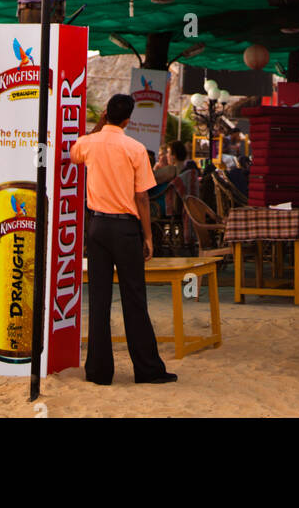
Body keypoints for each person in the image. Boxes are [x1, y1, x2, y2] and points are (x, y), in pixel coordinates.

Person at [70, 94, 177, 386]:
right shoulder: (135, 148)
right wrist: (148, 236)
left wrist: (98, 125)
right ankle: (147, 369)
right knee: (134, 299)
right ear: (129, 119)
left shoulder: (89, 144)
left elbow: (74, 152)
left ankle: (99, 372)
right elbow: (142, 197)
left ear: (105, 114)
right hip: (125, 228)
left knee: (99, 300)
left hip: (98, 227)